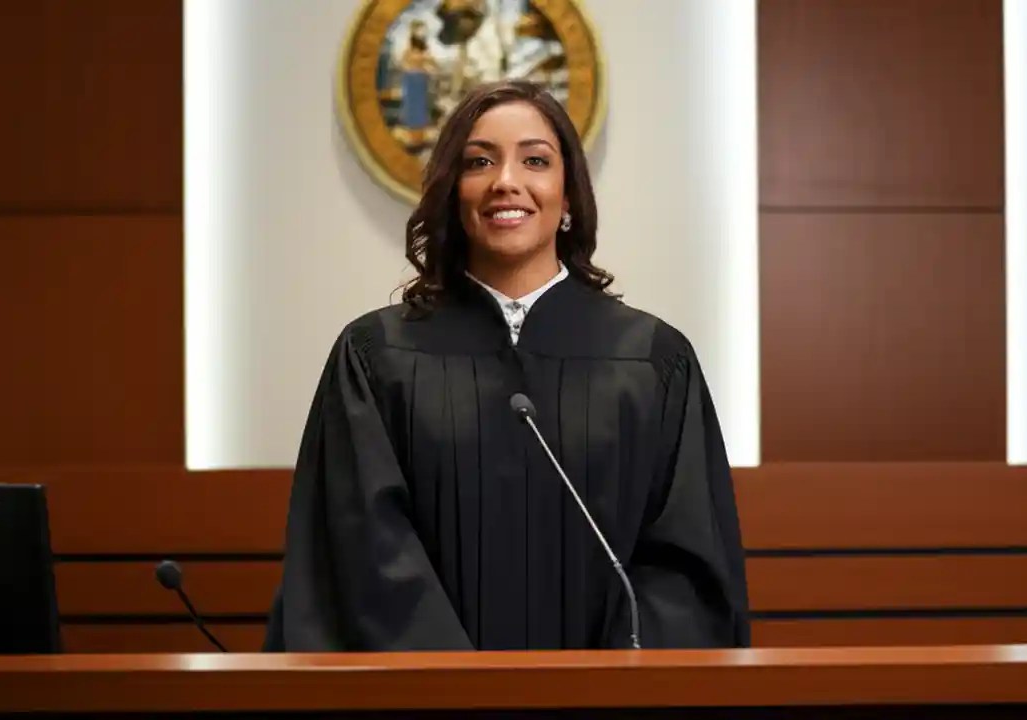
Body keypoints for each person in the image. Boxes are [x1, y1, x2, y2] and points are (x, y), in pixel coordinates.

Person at [264, 80, 749, 651]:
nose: (506, 182)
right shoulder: (376, 359)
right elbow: (361, 553)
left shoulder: (653, 362)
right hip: (425, 704)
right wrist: (461, 691)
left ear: (568, 196)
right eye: (479, 162)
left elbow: (685, 565)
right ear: (454, 192)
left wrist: (605, 690)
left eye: (536, 160)